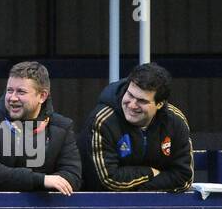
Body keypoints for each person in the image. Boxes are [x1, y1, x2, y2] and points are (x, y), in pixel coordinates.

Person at [79, 62, 194, 192]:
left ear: (160, 104)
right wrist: (150, 173)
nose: (132, 105)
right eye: (130, 95)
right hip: (104, 206)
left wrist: (139, 188)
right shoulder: (103, 120)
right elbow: (108, 181)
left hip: (159, 206)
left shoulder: (175, 121)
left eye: (142, 101)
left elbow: (184, 178)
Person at [0, 61, 82, 194]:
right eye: (9, 90)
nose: (12, 98)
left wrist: (36, 182)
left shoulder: (61, 127)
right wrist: (41, 180)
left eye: (21, 92)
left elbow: (73, 176)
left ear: (42, 96)